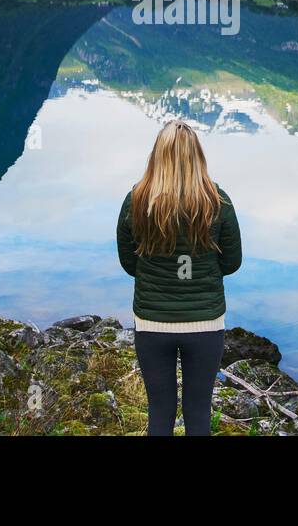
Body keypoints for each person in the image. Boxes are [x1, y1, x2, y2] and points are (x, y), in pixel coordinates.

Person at [116, 120, 242, 436]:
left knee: (160, 414)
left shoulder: (136, 200)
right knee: (198, 414)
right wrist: (204, 274)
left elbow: (130, 264)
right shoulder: (218, 200)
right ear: (197, 156)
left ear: (157, 156)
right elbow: (232, 262)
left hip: (153, 324)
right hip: (205, 325)